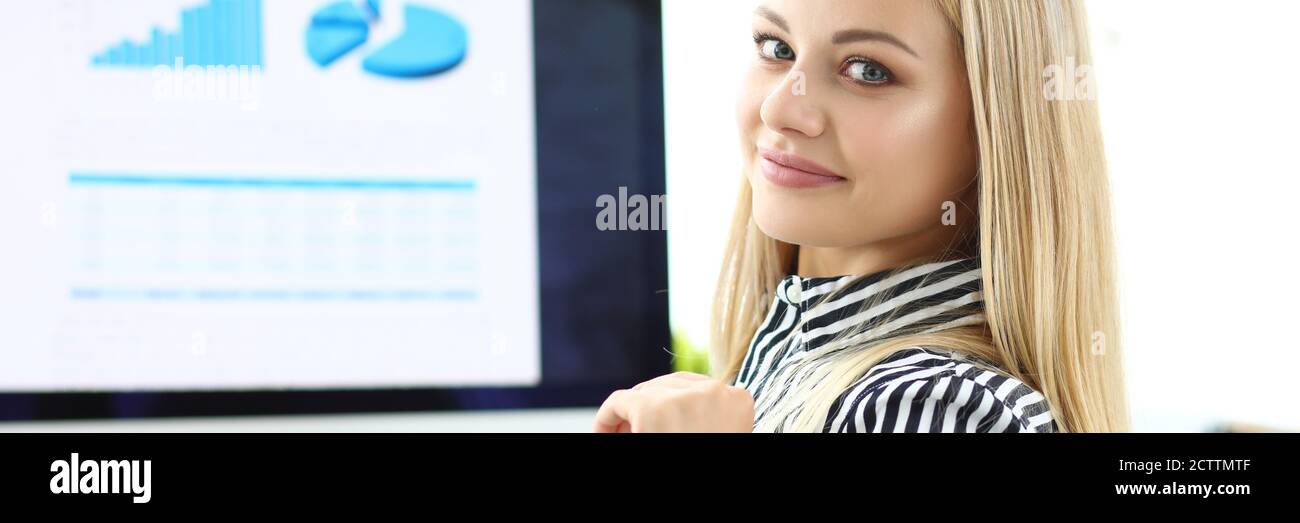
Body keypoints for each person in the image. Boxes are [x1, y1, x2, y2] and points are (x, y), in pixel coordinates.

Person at [595, 0, 1127, 433]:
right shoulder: (789, 354)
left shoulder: (933, 407)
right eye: (776, 47)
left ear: (997, 119)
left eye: (868, 71)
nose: (781, 109)